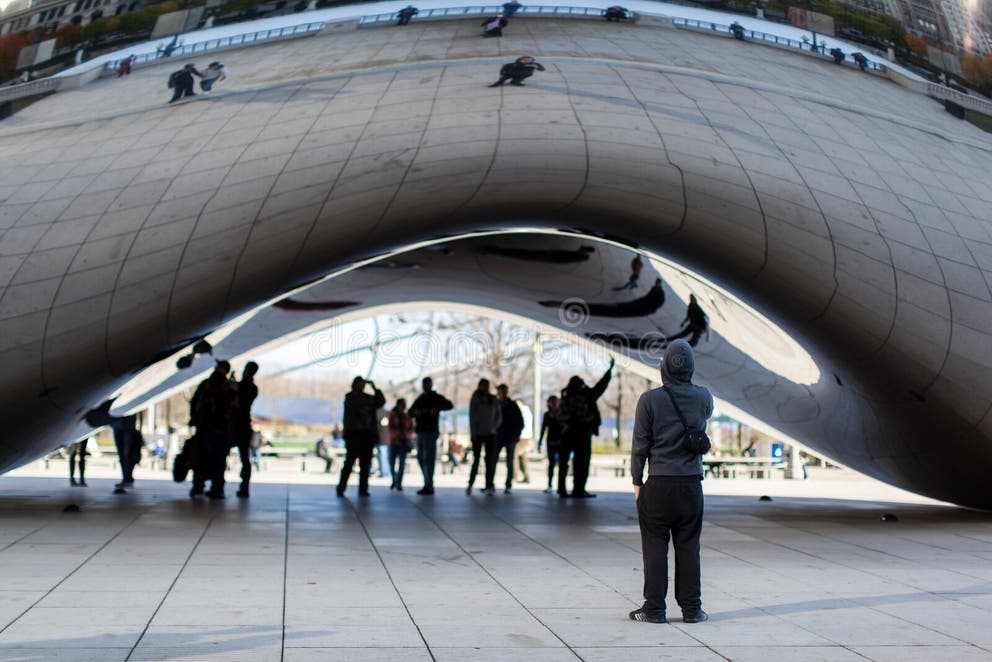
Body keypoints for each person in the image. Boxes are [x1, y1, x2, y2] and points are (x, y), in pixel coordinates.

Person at [629, 340, 713, 625]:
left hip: (659, 484)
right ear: (690, 367)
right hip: (691, 485)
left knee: (654, 548)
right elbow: (704, 415)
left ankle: (654, 609)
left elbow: (640, 445)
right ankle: (692, 610)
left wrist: (637, 481)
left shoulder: (649, 400)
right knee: (689, 547)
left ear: (664, 366)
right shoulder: (704, 397)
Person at [558, 358, 614, 498]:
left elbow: (560, 417)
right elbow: (600, 387)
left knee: (564, 462)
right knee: (582, 462)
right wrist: (609, 370)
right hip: (582, 434)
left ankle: (562, 488)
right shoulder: (586, 395)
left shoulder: (565, 397)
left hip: (566, 433)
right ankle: (578, 489)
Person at [189, 360, 237, 499]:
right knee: (219, 460)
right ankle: (217, 488)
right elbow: (235, 406)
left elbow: (195, 403)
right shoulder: (228, 386)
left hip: (204, 428)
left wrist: (195, 419)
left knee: (201, 458)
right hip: (221, 429)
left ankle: (198, 486)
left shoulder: (206, 384)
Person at [337, 377, 385, 497]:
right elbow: (354, 404)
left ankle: (363, 489)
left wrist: (374, 388)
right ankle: (341, 487)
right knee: (349, 462)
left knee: (365, 464)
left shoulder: (369, 398)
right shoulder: (350, 397)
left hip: (367, 435)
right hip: (354, 435)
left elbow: (381, 402)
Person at [408, 377, 454, 496]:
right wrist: (416, 413)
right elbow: (410, 412)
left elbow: (449, 405)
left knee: (429, 459)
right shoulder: (421, 399)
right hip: (421, 431)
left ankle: (429, 483)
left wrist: (437, 408)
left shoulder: (436, 398)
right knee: (421, 458)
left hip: (431, 431)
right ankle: (427, 481)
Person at [467, 378, 500, 495]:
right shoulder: (476, 398)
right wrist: (473, 432)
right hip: (478, 433)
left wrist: (494, 427)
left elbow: (498, 415)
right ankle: (470, 483)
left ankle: (489, 485)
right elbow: (472, 416)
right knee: (476, 459)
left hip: (490, 434)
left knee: (490, 460)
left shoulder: (493, 399)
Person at [492, 384, 524, 494]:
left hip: (510, 437)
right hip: (497, 437)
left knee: (510, 461)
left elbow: (520, 422)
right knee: (493, 460)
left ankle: (508, 484)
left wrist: (516, 435)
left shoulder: (512, 405)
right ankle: (490, 484)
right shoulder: (495, 404)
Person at [233, 361, 258, 498]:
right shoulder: (253, 388)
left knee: (241, 457)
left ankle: (218, 485)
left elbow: (238, 400)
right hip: (243, 426)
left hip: (236, 425)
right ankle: (244, 485)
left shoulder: (244, 387)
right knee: (245, 457)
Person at [387, 398, 414, 490]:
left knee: (402, 463)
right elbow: (390, 428)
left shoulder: (407, 416)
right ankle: (394, 479)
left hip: (403, 443)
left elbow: (411, 429)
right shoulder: (393, 415)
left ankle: (399, 482)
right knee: (391, 463)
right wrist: (397, 435)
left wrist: (405, 436)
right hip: (394, 442)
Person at [537, 396, 562, 494]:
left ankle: (561, 485)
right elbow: (543, 428)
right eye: (552, 402)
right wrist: (540, 442)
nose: (554, 404)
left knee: (562, 464)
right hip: (551, 441)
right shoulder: (547, 415)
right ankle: (550, 484)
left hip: (560, 442)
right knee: (551, 464)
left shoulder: (561, 414)